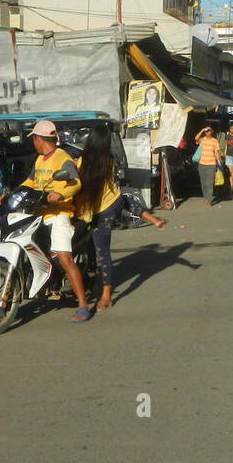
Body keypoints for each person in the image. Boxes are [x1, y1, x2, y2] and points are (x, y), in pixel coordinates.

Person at [73, 128, 167, 314]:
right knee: (124, 200)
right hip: (114, 202)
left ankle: (106, 296)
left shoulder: (85, 162)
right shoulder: (108, 160)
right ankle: (151, 218)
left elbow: (84, 188)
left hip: (104, 210)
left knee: (103, 253)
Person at [16, 119, 86, 323]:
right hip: (37, 212)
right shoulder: (39, 160)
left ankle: (82, 304)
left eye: (33, 139)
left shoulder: (62, 157)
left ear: (38, 139)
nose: (33, 143)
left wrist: (60, 193)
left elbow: (76, 182)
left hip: (59, 214)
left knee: (65, 258)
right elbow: (30, 181)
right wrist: (14, 193)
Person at [194, 125, 221, 208]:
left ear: (211, 132)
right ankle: (205, 197)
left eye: (209, 130)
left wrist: (219, 162)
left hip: (211, 164)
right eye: (206, 131)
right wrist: (202, 130)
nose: (207, 132)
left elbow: (216, 152)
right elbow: (196, 138)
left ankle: (209, 200)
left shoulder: (215, 141)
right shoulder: (202, 140)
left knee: (209, 183)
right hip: (202, 164)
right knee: (203, 183)